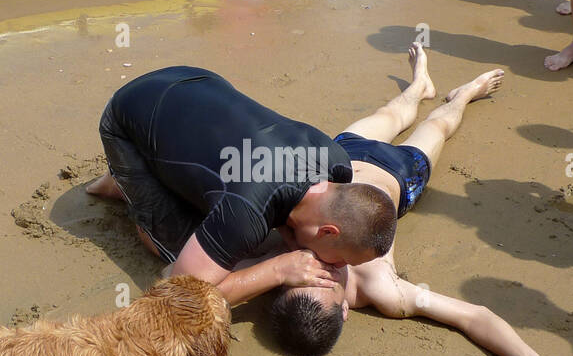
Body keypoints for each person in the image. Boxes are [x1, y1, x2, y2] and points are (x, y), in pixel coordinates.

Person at [260, 45, 573, 356]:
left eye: (306, 280)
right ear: (344, 310)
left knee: (391, 112)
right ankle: (467, 93)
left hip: (340, 159)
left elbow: (213, 278)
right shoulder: (386, 292)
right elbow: (472, 316)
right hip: (399, 173)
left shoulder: (286, 261)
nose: (322, 271)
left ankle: (419, 85)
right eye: (328, 284)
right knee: (437, 125)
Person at [89, 66, 397, 305]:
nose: (339, 267)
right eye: (341, 260)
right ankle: (125, 181)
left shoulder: (336, 162)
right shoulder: (246, 211)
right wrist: (279, 269)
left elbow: (289, 208)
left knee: (216, 199)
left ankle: (135, 178)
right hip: (127, 117)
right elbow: (182, 292)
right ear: (329, 231)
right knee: (174, 248)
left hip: (193, 80)